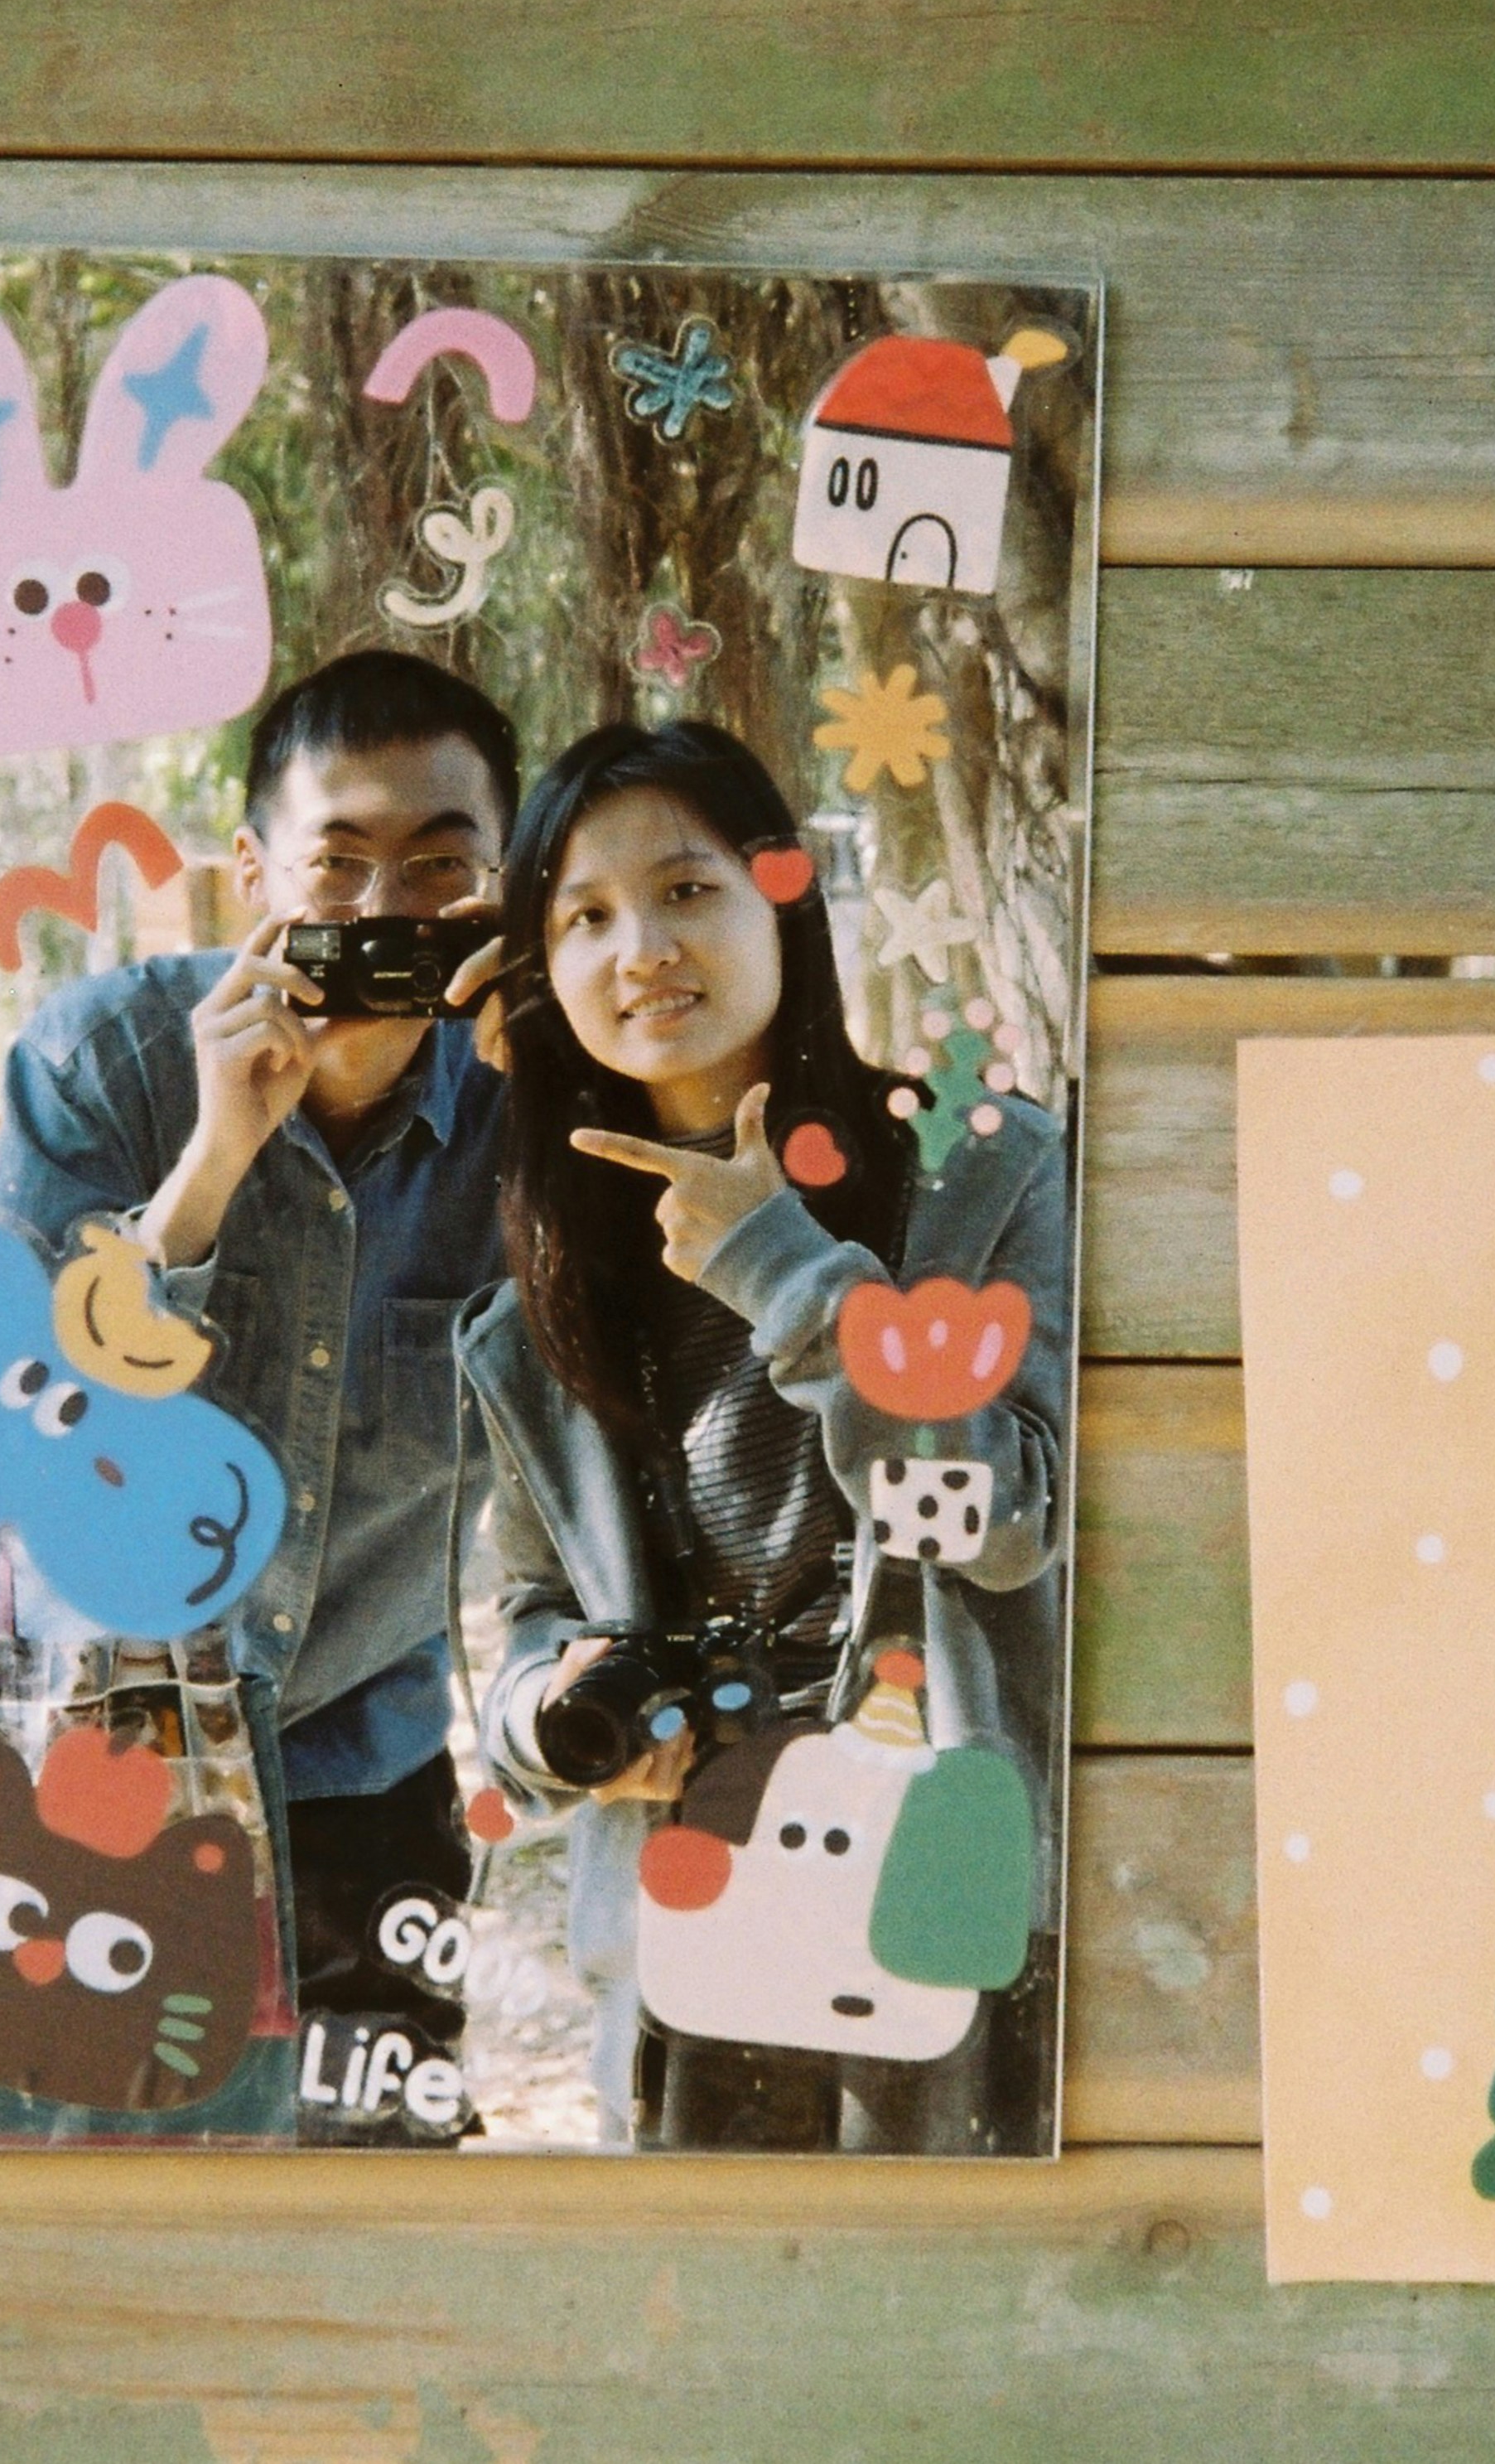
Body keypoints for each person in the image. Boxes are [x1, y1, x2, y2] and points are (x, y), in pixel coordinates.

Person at [454, 718, 1070, 2153]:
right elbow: (530, 1620)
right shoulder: (542, 1295)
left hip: (922, 1894)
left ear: (784, 895)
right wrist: (552, 1713)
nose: (641, 949)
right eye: (584, 918)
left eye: (686, 889)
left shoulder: (975, 1174)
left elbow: (1008, 1522)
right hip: (687, 1915)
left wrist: (787, 1273)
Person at [0, 648, 520, 2132]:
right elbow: (28, 1426)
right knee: (95, 2181)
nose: (386, 911)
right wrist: (211, 1165)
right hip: (98, 1747)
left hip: (366, 1761)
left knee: (378, 2173)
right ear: (251, 873)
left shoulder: (531, 1109)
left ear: (501, 891)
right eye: (336, 863)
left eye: (441, 866)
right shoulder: (103, 1065)